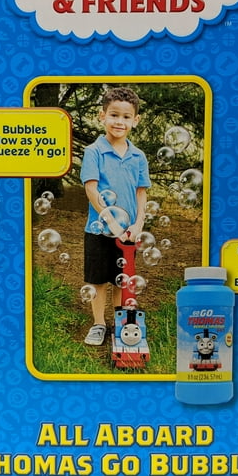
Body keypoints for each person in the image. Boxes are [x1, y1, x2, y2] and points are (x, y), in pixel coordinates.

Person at [80, 87, 151, 345]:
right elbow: (91, 189)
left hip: (128, 232)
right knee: (98, 280)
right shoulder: (94, 151)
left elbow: (141, 192)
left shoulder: (138, 156)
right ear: (102, 116)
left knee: (123, 279)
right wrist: (110, 221)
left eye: (126, 116)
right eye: (114, 115)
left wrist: (138, 223)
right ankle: (99, 324)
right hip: (99, 229)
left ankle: (122, 325)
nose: (119, 121)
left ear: (135, 120)